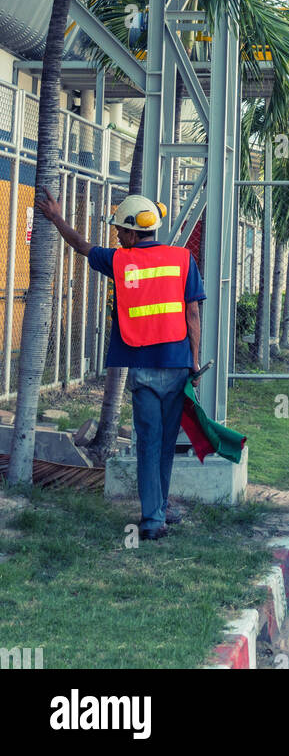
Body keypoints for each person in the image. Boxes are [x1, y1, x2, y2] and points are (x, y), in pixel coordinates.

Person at [35, 189, 206, 541]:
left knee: (149, 443)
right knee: (165, 444)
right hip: (176, 368)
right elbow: (192, 313)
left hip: (141, 369)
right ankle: (160, 507)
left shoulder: (120, 262)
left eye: (119, 232)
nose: (117, 237)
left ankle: (153, 518)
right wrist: (194, 360)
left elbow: (81, 246)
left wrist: (55, 217)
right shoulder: (183, 260)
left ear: (131, 232)